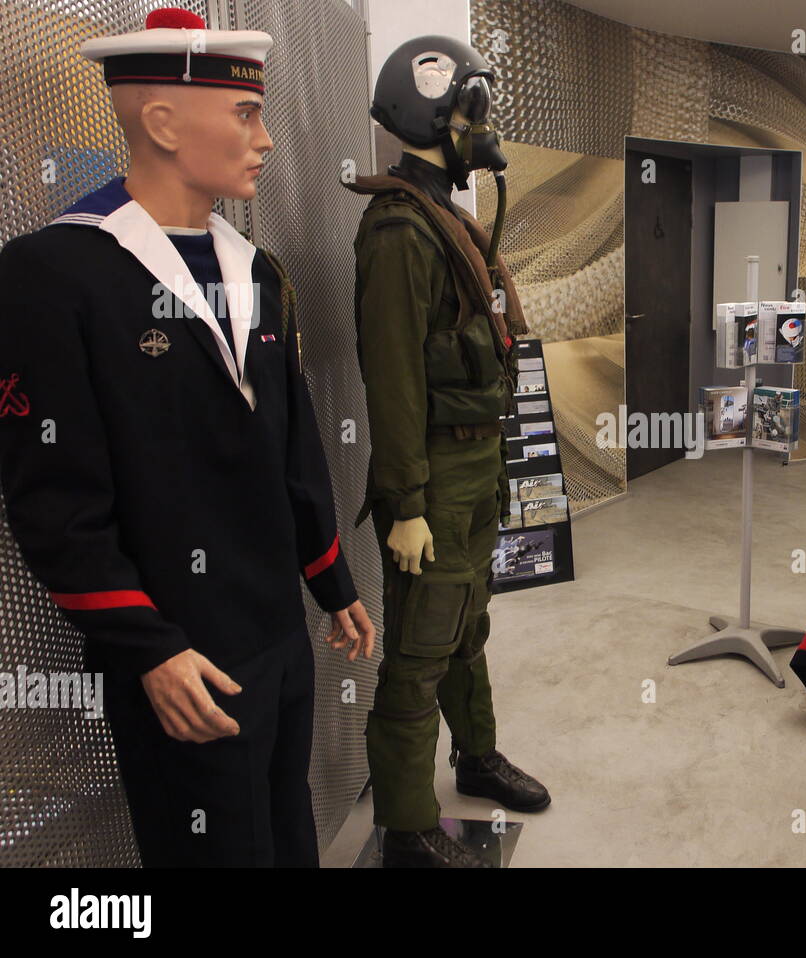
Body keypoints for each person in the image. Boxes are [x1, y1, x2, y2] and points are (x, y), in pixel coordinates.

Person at [0, 7, 374, 867]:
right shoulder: (56, 272)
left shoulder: (256, 269)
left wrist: (332, 581)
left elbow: (292, 446)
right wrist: (149, 649)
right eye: (246, 114)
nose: (268, 139)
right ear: (163, 122)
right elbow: (53, 500)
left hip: (277, 629)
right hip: (181, 649)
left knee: (289, 834)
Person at [343, 36, 550, 868]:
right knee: (420, 649)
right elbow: (390, 383)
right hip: (432, 474)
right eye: (476, 109)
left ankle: (474, 757)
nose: (485, 126)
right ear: (439, 115)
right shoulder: (397, 232)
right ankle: (403, 820)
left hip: (475, 466)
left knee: (467, 627)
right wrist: (408, 504)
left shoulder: (447, 218)